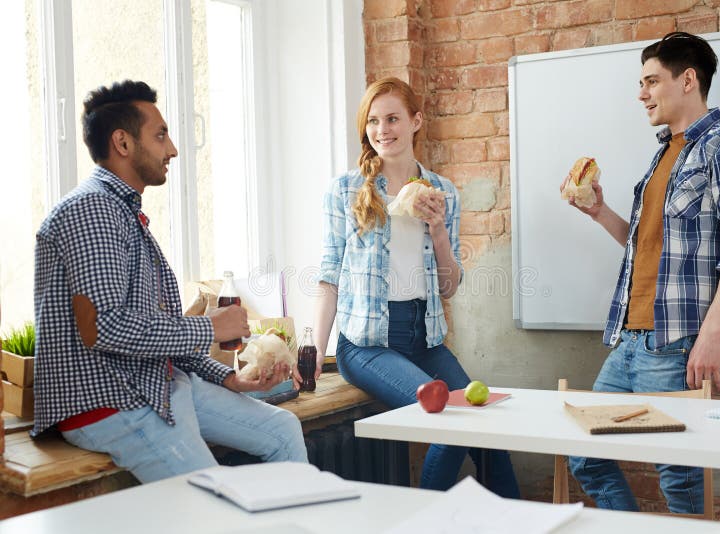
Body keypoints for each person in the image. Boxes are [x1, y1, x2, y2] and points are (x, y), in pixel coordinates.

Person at [32, 80, 307, 483]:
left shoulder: (124, 213)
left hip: (156, 384)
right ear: (122, 143)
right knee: (212, 502)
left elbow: (155, 335)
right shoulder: (92, 211)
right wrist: (208, 326)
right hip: (110, 402)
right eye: (160, 135)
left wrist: (230, 376)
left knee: (284, 429)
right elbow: (103, 327)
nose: (173, 149)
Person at [561, 32, 720, 513]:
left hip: (676, 342)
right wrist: (600, 212)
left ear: (688, 80)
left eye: (652, 81)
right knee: (585, 455)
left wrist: (711, 334)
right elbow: (645, 247)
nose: (642, 94)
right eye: (641, 83)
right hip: (630, 340)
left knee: (679, 479)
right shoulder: (662, 155)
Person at [299, 77, 520, 497]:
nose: (383, 130)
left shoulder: (443, 193)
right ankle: (422, 521)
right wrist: (312, 352)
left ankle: (522, 522)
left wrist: (437, 229)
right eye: (374, 121)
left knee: (489, 431)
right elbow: (329, 276)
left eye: (394, 119)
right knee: (448, 426)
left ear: (416, 121)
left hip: (424, 338)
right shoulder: (346, 191)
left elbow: (449, 287)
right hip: (367, 346)